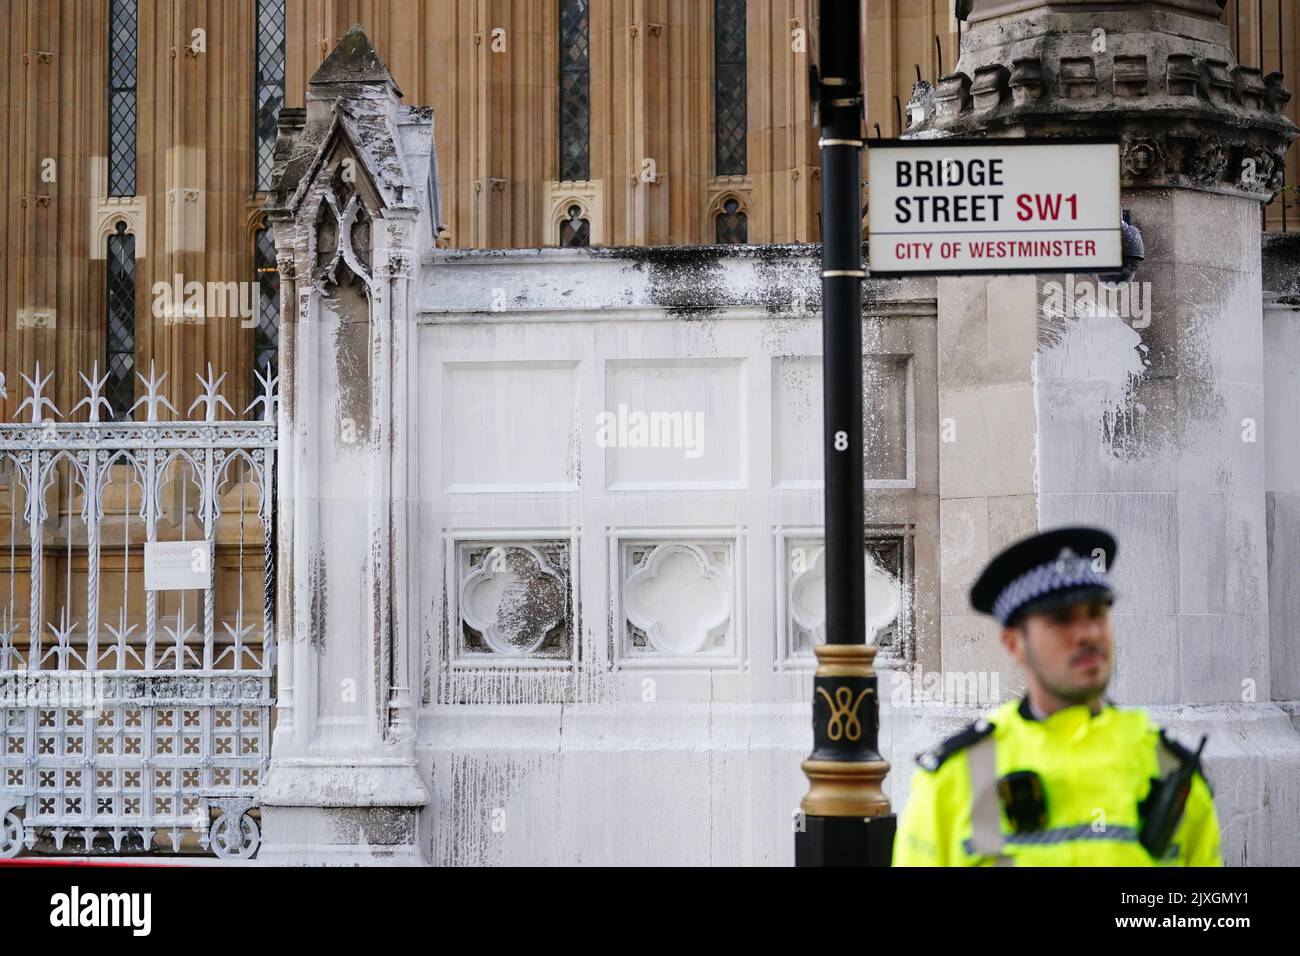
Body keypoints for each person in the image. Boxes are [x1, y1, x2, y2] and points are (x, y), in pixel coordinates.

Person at [892, 526, 1222, 866]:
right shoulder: (951, 780)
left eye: (1097, 613)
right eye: (1061, 619)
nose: (1088, 634)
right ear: (1013, 643)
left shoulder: (1172, 772)